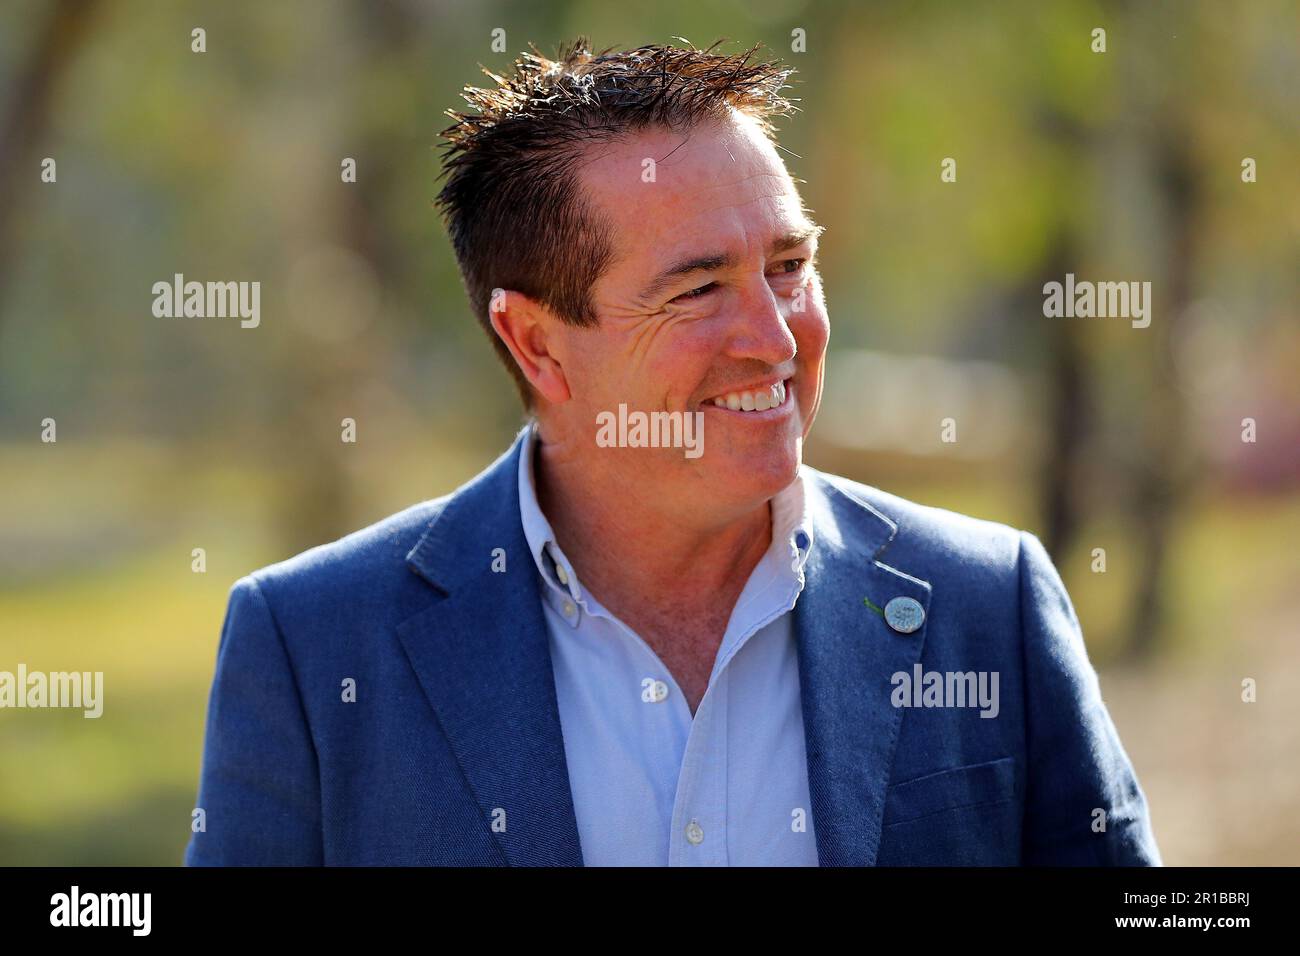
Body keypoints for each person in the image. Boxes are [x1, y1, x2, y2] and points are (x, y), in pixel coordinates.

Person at [185, 38, 1160, 866]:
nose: (775, 340)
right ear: (535, 342)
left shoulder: (986, 605)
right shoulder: (313, 646)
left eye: (787, 267)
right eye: (698, 290)